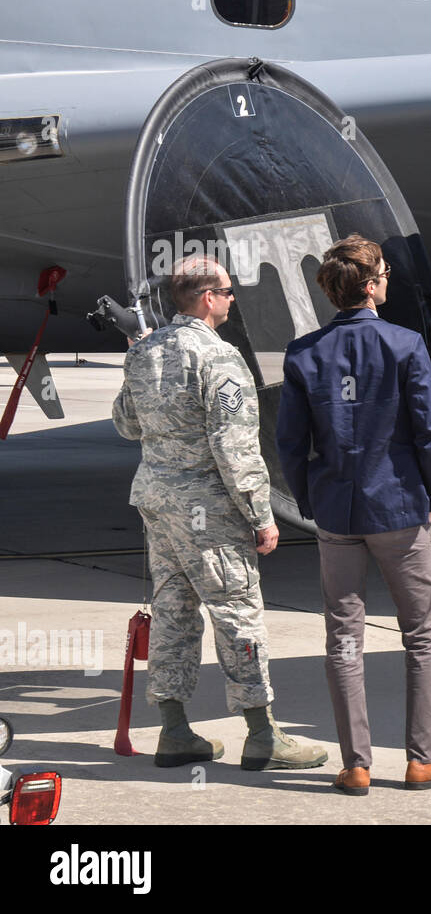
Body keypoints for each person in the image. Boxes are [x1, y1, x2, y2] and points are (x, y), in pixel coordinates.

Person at [112, 254, 327, 771]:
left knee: (172, 612)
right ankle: (262, 733)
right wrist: (261, 514)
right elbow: (235, 448)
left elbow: (126, 425)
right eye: (228, 292)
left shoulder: (146, 352)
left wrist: (139, 365)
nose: (233, 299)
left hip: (159, 505)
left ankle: (174, 731)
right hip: (208, 510)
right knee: (237, 613)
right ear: (207, 297)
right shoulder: (220, 357)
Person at [276, 234, 431, 796]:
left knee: (343, 638)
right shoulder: (406, 345)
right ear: (369, 285)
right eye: (382, 271)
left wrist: (309, 499)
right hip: (400, 507)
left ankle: (355, 764)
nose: (386, 277)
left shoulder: (304, 352)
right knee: (422, 638)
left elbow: (290, 442)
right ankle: (423, 759)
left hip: (337, 510)